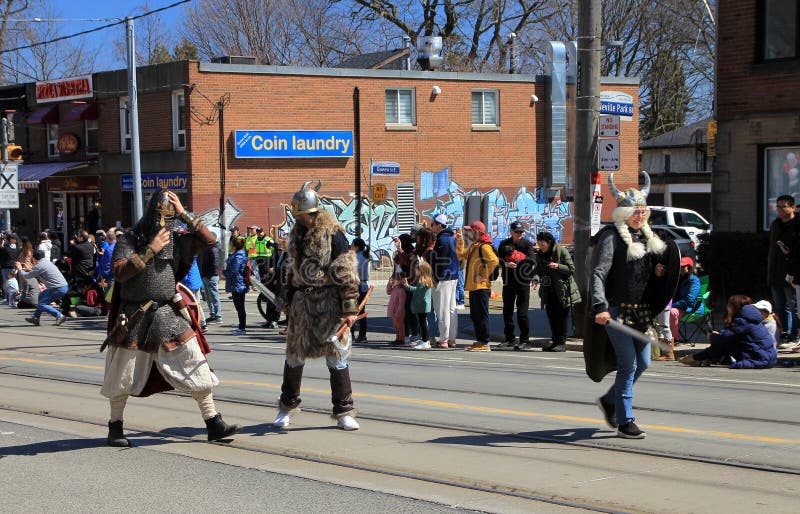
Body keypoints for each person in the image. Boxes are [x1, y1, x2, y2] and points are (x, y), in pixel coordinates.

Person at [101, 189, 239, 447]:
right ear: (153, 212)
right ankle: (115, 427)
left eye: (171, 214)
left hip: (167, 314)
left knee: (195, 363)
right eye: (163, 213)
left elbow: (209, 241)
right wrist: (150, 251)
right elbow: (120, 273)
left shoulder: (177, 238)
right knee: (123, 374)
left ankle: (213, 422)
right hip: (134, 316)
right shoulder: (131, 238)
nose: (166, 220)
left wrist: (186, 214)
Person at [272, 180, 361, 431]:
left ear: (309, 211)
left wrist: (349, 307)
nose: (298, 218)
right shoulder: (296, 235)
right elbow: (290, 270)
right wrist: (285, 298)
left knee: (337, 359)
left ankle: (344, 411)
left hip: (328, 304)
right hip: (302, 304)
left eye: (300, 214)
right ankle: (286, 408)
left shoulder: (334, 233)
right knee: (293, 358)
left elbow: (345, 270)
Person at [590, 172, 668, 440]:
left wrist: (658, 273)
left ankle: (610, 401)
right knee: (629, 365)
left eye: (643, 211)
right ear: (624, 212)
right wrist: (599, 306)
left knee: (643, 363)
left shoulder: (647, 237)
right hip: (616, 311)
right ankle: (625, 420)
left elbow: (645, 274)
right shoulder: (611, 237)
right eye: (635, 211)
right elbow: (599, 273)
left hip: (641, 313)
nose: (640, 215)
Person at [680, 296, 778, 369]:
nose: (727, 307)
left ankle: (696, 358)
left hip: (760, 358)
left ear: (734, 307)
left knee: (722, 344)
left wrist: (712, 336)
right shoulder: (750, 319)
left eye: (729, 305)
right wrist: (719, 334)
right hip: (768, 357)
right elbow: (732, 334)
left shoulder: (743, 321)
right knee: (725, 342)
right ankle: (704, 358)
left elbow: (724, 339)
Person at [533, 231, 581, 352]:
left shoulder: (561, 251)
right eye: (539, 244)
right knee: (552, 317)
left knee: (561, 318)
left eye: (542, 244)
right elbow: (538, 270)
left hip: (562, 291)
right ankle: (555, 342)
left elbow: (571, 269)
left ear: (549, 242)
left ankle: (561, 343)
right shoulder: (540, 255)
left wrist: (558, 266)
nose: (540, 247)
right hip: (548, 291)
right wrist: (535, 279)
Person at [456, 221, 499, 352]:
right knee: (475, 316)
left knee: (481, 316)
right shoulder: (475, 245)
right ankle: (480, 341)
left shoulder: (484, 247)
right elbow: (461, 255)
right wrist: (460, 241)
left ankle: (485, 343)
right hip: (474, 287)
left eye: (470, 230)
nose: (469, 232)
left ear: (477, 232)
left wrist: (483, 275)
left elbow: (494, 261)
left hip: (481, 287)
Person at [497, 220, 537, 349]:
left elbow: (532, 260)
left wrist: (520, 263)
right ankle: (509, 339)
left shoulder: (527, 245)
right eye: (517, 232)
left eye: (521, 232)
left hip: (522, 282)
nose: (519, 234)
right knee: (507, 311)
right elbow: (497, 259)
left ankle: (525, 340)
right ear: (511, 231)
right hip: (508, 281)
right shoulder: (504, 244)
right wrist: (506, 264)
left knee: (522, 313)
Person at [767, 195, 800, 344]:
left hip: (791, 272)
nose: (779, 209)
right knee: (780, 306)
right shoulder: (775, 224)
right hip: (775, 271)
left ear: (792, 207)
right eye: (778, 206)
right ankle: (784, 333)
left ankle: (796, 335)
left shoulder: (797, 225)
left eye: (783, 206)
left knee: (794, 306)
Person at [657, 256, 703, 360]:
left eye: (683, 267)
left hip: (691, 308)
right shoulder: (677, 278)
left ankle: (675, 339)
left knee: (671, 312)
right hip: (680, 306)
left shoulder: (693, 281)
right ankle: (662, 348)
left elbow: (690, 299)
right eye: (680, 267)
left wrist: (672, 305)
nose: (681, 269)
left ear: (689, 267)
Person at [429, 213, 460, 348]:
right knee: (452, 308)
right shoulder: (452, 238)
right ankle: (452, 338)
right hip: (453, 276)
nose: (431, 226)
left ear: (439, 226)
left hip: (443, 278)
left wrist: (435, 278)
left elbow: (439, 262)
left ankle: (444, 339)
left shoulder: (442, 240)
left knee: (442, 309)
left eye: (433, 224)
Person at [16, 249, 69, 326]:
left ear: (34, 258)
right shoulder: (46, 262)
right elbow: (38, 271)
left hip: (57, 288)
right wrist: (30, 269)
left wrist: (20, 269)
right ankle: (36, 318)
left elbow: (26, 276)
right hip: (61, 286)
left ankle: (59, 316)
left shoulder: (40, 265)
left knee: (41, 304)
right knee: (41, 296)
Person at [403, 261, 433, 350]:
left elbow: (418, 292)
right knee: (423, 323)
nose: (415, 270)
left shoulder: (423, 281)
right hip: (423, 306)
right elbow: (417, 290)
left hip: (422, 307)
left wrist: (415, 302)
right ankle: (425, 340)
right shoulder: (424, 280)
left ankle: (425, 341)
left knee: (423, 324)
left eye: (417, 269)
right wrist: (407, 286)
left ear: (421, 271)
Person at [225, 236, 248, 335]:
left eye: (231, 244)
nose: (230, 246)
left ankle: (242, 328)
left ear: (235, 246)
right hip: (237, 283)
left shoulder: (238, 256)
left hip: (238, 284)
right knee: (239, 307)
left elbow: (234, 271)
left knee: (240, 307)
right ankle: (241, 327)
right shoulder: (238, 255)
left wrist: (224, 273)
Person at [350, 237, 370, 343]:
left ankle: (351, 334)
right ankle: (362, 335)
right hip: (364, 285)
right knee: (361, 311)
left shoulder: (354, 257)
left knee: (352, 311)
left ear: (356, 246)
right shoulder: (366, 256)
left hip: (355, 286)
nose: (351, 247)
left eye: (352, 245)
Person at [200, 239, 223, 324]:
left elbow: (215, 264)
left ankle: (218, 315)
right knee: (208, 296)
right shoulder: (208, 248)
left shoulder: (213, 249)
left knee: (214, 295)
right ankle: (213, 314)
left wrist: (209, 274)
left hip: (211, 276)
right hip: (207, 275)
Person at [181, 255, 207, 331]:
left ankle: (195, 323)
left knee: (189, 305)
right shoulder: (194, 260)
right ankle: (203, 323)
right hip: (197, 284)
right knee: (197, 304)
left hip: (190, 285)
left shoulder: (186, 261)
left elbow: (185, 276)